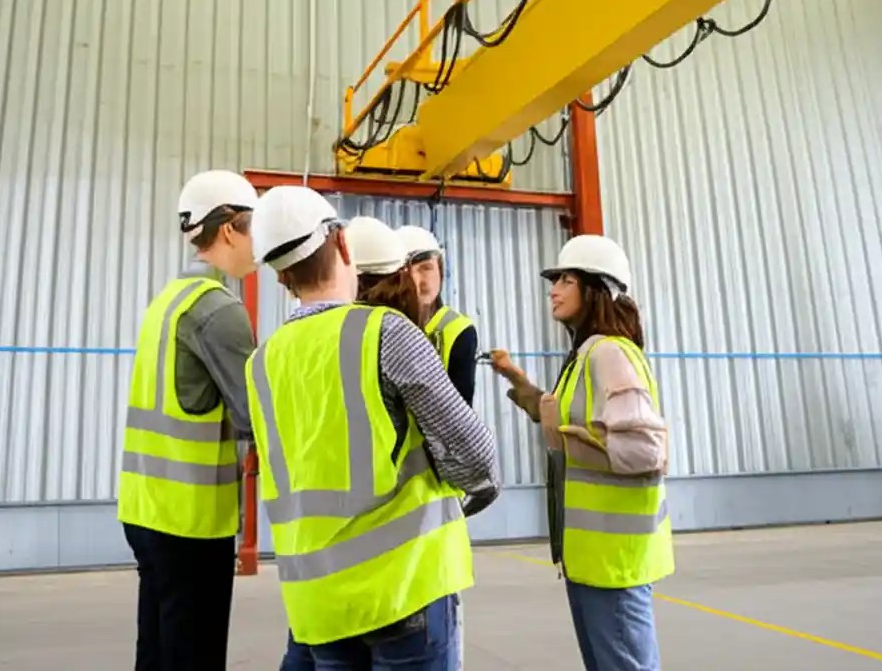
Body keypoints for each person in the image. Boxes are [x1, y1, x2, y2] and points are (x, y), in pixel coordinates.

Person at [246, 187, 500, 670]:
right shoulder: (385, 331)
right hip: (404, 587)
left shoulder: (260, 362)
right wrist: (480, 490)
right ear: (342, 244)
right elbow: (473, 456)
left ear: (281, 277)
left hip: (317, 600)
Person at [488, 234, 674, 671]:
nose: (553, 290)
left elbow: (648, 449)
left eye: (566, 280)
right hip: (590, 556)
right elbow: (557, 414)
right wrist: (515, 378)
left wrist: (568, 444)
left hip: (614, 559)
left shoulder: (609, 353)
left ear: (596, 290)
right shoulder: (585, 354)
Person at [117, 169, 259, 671]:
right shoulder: (218, 309)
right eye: (255, 227)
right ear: (230, 230)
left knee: (156, 650)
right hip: (191, 519)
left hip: (145, 507)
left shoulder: (167, 300)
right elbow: (255, 416)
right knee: (193, 657)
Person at [396, 225, 478, 405]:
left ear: (440, 270)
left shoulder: (457, 329)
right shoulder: (387, 325)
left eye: (426, 268)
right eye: (407, 272)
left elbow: (460, 408)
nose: (419, 281)